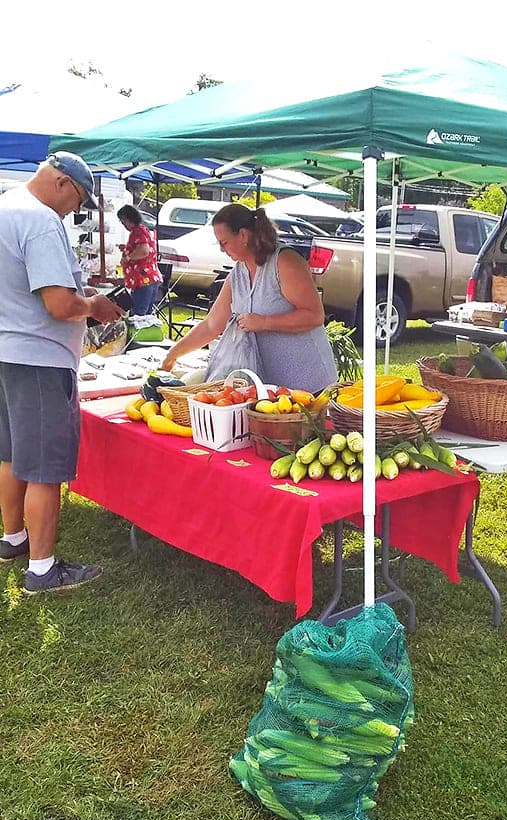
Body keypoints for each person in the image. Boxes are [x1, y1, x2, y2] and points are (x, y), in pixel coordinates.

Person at [0, 151, 125, 593]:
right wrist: (92, 305)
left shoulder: (7, 205)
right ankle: (43, 569)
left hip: (8, 352)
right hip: (39, 358)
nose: (75, 210)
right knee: (45, 467)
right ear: (63, 184)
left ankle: (13, 537)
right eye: (79, 200)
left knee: (13, 454)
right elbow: (58, 305)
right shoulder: (40, 220)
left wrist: (80, 294)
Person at [161, 204, 337, 392]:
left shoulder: (285, 262)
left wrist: (264, 322)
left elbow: (314, 315)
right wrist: (173, 355)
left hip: (309, 385)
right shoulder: (238, 273)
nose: (222, 249)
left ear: (243, 236)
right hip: (272, 389)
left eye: (224, 242)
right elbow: (212, 324)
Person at [117, 204, 163, 317]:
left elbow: (144, 251)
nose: (123, 225)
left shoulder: (138, 231)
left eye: (123, 222)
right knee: (146, 314)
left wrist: (128, 257)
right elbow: (140, 247)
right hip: (150, 278)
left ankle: (138, 334)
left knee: (139, 315)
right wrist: (127, 247)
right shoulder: (142, 230)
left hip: (143, 279)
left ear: (128, 219)